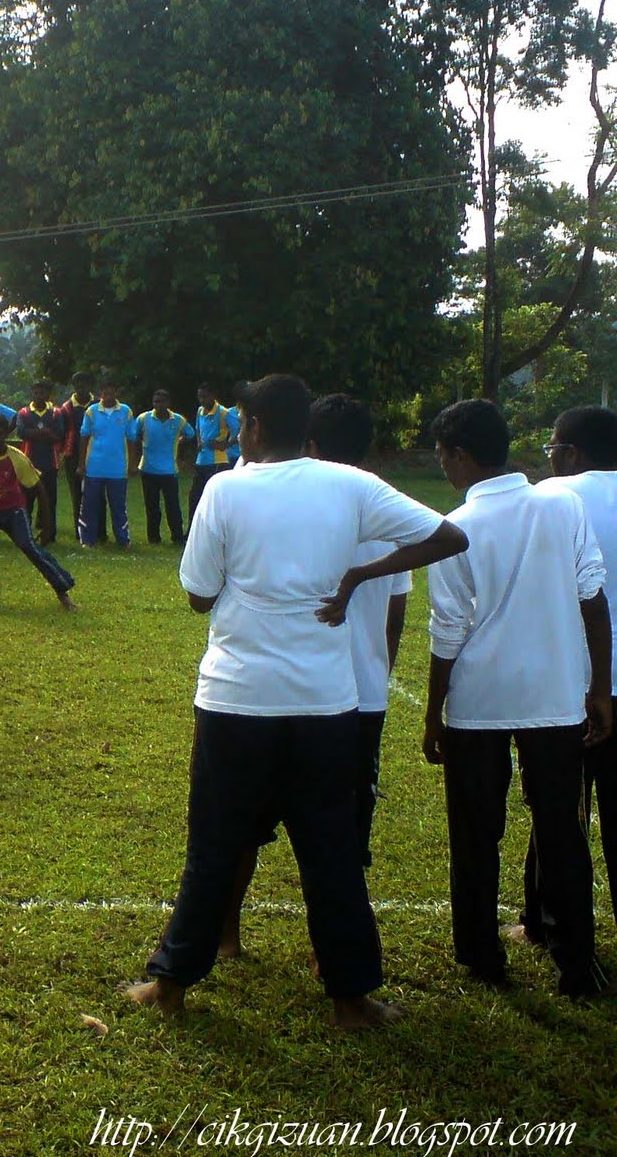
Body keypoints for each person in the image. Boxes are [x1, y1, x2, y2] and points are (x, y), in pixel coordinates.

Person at [122, 374, 466, 1029]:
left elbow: (197, 593)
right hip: (325, 705)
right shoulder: (351, 485)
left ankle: (170, 985)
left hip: (234, 701)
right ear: (300, 425)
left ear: (250, 427)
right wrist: (359, 573)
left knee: (215, 846)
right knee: (332, 851)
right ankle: (350, 997)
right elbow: (450, 536)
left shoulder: (226, 488)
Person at [424, 398, 611, 996]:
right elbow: (593, 599)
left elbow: (448, 631)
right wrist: (599, 687)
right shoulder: (562, 506)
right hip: (557, 696)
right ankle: (575, 963)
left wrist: (434, 710)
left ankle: (482, 955)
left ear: (459, 455)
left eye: (443, 455)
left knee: (476, 832)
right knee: (560, 828)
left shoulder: (455, 527)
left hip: (479, 703)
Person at [219, 394, 415, 959]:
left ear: (307, 444)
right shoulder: (382, 502)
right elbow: (396, 612)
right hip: (356, 698)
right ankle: (334, 952)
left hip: (273, 690)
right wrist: (378, 670)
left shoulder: (270, 496)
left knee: (244, 821)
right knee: (341, 834)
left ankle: (227, 935)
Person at [539, 405, 617, 931]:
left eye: (552, 450)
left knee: (556, 812)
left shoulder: (551, 500)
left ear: (571, 453)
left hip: (570, 679)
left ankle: (547, 924)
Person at [0, 415, 76, 610]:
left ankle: (63, 591)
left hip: (13, 511)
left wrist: (47, 524)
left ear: (6, 435)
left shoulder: (17, 458)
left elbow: (40, 491)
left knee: (29, 548)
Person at [129, 390, 195, 544]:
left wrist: (179, 446)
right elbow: (134, 436)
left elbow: (190, 434)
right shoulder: (144, 419)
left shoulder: (177, 420)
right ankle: (153, 538)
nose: (158, 405)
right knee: (152, 506)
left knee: (173, 506)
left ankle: (177, 537)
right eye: (155, 402)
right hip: (148, 469)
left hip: (169, 470)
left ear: (168, 404)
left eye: (161, 402)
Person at [77, 379, 134, 548]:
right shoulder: (92, 411)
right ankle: (87, 540)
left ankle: (123, 540)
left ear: (116, 393)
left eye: (111, 393)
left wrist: (132, 464)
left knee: (118, 506)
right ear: (100, 393)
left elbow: (131, 439)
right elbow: (84, 437)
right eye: (105, 393)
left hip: (117, 469)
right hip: (94, 467)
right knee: (89, 505)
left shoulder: (126, 411)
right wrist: (81, 464)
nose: (108, 396)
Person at [16, 381, 63, 543]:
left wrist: (34, 433)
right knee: (26, 502)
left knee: (50, 501)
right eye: (37, 391)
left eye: (43, 391)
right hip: (29, 463)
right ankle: (25, 535)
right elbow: (22, 433)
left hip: (50, 463)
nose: (39, 394)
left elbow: (59, 434)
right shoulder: (23, 413)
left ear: (48, 394)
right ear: (32, 392)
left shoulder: (56, 412)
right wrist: (45, 433)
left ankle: (49, 535)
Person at [56, 372, 93, 545]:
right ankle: (79, 530)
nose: (81, 388)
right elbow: (61, 433)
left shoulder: (97, 404)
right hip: (72, 454)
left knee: (96, 494)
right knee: (76, 494)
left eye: (84, 384)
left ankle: (98, 530)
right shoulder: (66, 408)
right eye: (78, 385)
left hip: (95, 453)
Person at [188, 383, 230, 522]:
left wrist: (226, 444)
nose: (202, 400)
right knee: (194, 497)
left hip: (217, 461)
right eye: (199, 397)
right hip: (202, 460)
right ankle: (191, 530)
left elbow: (239, 430)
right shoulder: (200, 411)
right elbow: (197, 428)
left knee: (214, 499)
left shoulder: (223, 412)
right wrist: (199, 441)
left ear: (212, 396)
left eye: (205, 397)